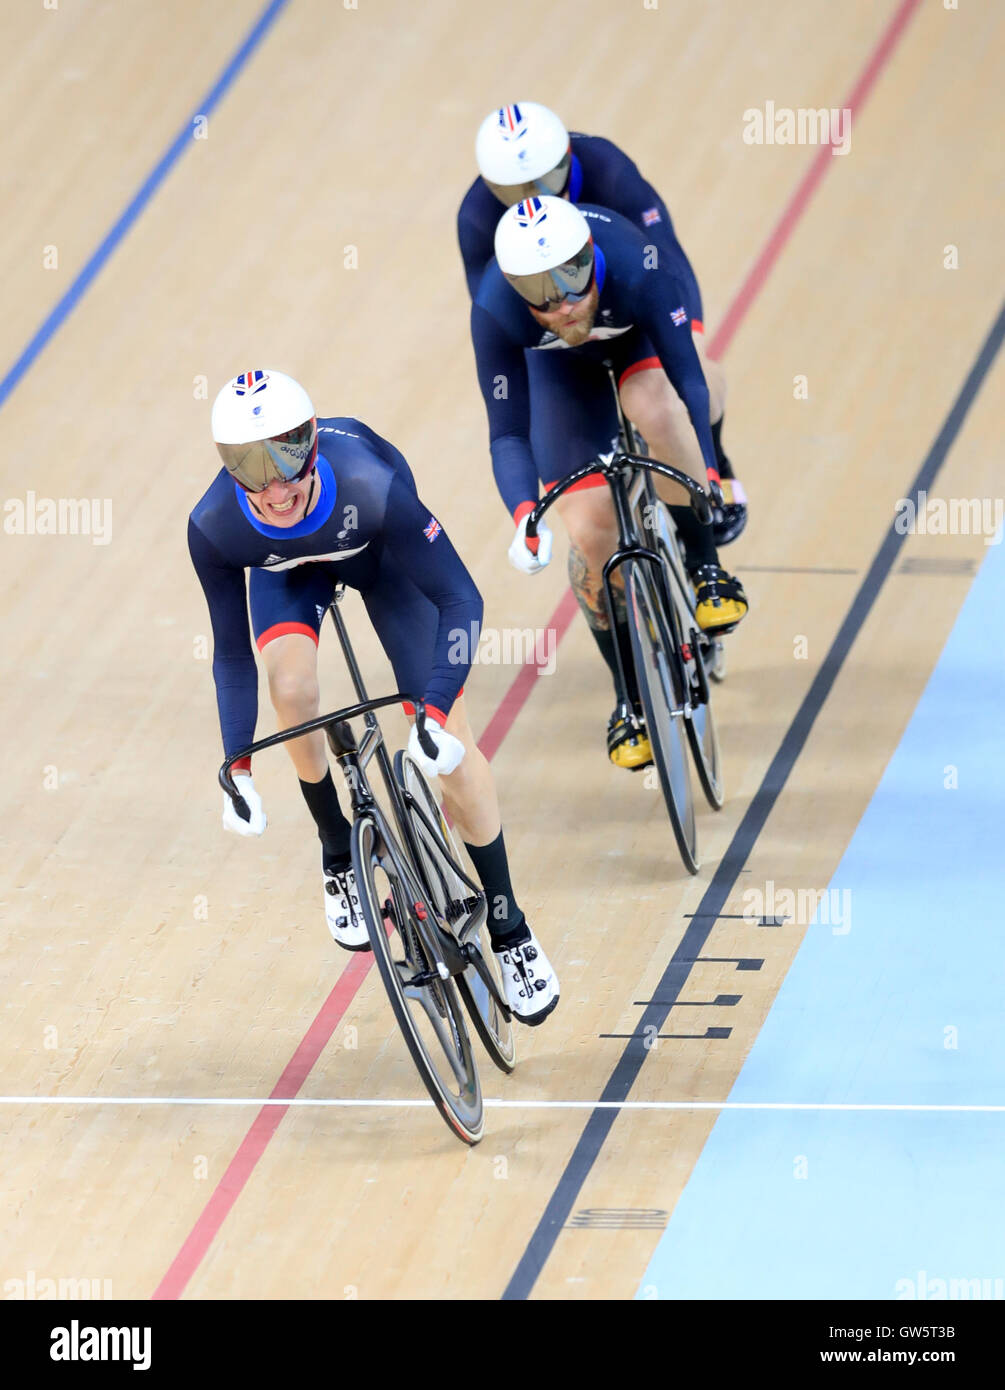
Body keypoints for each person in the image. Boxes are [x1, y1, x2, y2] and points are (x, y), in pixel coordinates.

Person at [187, 368, 558, 1026]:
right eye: (250, 467)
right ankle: (337, 850)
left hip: (382, 558)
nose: (274, 489)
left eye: (287, 459)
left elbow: (459, 598)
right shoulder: (215, 526)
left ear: (312, 445)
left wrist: (436, 709)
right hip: (289, 580)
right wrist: (237, 764)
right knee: (292, 688)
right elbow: (230, 653)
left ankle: (510, 929)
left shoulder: (369, 481)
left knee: (454, 756)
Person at [470, 196, 748, 769]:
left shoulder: (637, 264)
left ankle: (705, 568)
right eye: (544, 297)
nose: (567, 306)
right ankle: (630, 697)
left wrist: (710, 473)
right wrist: (524, 512)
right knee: (593, 533)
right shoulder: (495, 309)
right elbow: (507, 434)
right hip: (558, 375)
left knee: (661, 412)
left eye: (574, 279)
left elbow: (689, 382)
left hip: (635, 341)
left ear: (591, 256)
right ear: (519, 293)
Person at [458, 100, 747, 546]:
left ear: (567, 158)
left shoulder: (605, 168)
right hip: (557, 336)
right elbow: (499, 312)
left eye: (543, 180)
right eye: (514, 191)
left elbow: (662, 257)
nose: (532, 197)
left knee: (672, 394)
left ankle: (717, 464)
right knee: (592, 526)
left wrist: (683, 335)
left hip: (633, 306)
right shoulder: (478, 216)